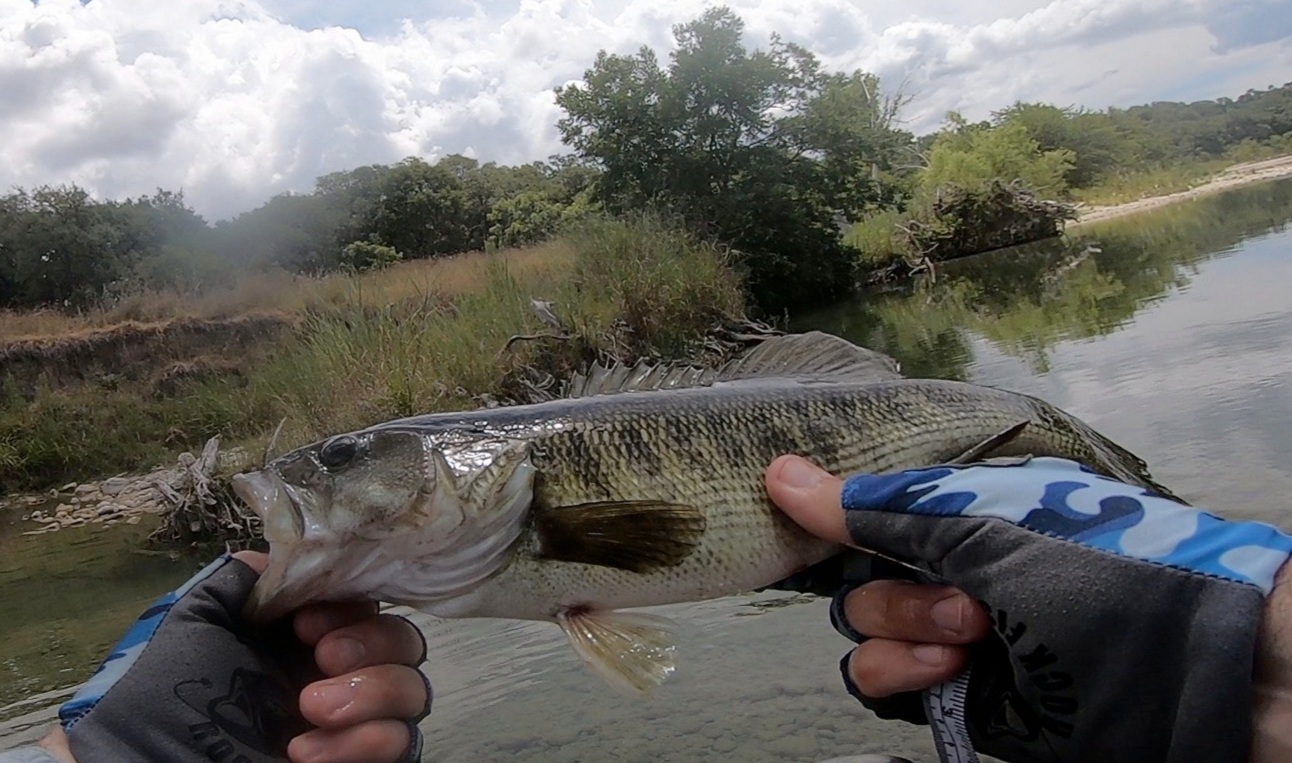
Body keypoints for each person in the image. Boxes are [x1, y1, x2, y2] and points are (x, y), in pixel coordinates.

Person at [7, 455, 1292, 762]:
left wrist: (1243, 651)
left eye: (349, 469)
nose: (307, 492)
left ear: (471, 480)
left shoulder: (545, 504)